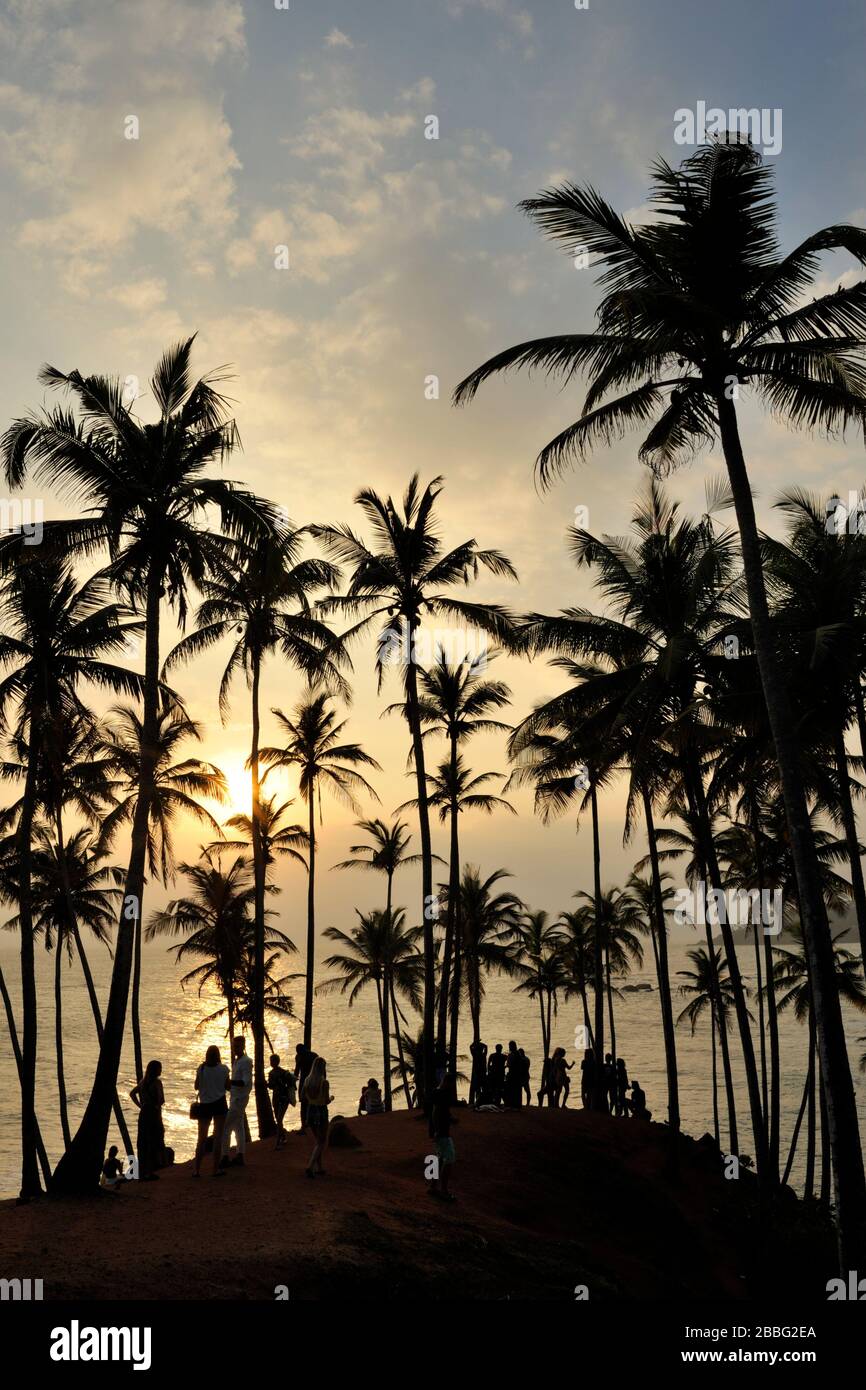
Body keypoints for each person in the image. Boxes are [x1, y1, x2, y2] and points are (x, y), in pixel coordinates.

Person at [193, 1044, 230, 1177]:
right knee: (218, 1137)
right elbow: (227, 1087)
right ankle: (215, 1170)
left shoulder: (201, 1068)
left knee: (201, 1138)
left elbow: (196, 1086)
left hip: (204, 1105)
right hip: (220, 1104)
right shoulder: (224, 1069)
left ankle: (197, 1170)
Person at [220, 1035, 253, 1170]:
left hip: (239, 1099)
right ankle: (240, 1154)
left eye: (238, 1046)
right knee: (238, 1127)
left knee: (226, 1128)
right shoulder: (237, 1061)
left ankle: (225, 1156)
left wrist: (229, 1083)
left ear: (244, 1046)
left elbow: (244, 1081)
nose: (235, 1048)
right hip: (236, 1097)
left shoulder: (245, 1061)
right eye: (234, 1046)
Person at [130, 1059, 165, 1180]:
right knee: (153, 1141)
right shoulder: (157, 1083)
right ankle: (150, 1172)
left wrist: (140, 1105)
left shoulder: (143, 1082)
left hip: (143, 1113)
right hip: (153, 1114)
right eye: (160, 1068)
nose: (161, 1070)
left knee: (142, 1142)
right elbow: (161, 1100)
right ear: (156, 1070)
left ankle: (141, 1172)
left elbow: (132, 1093)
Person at [303, 1056, 333, 1177]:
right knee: (322, 1141)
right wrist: (331, 1098)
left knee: (318, 1140)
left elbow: (303, 1097)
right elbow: (326, 1100)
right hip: (321, 1111)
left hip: (310, 1110)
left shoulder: (307, 1081)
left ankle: (319, 1167)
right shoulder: (324, 1082)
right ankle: (310, 1166)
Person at [429, 1075, 456, 1201]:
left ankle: (433, 1186)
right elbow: (437, 1112)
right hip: (442, 1132)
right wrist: (438, 1131)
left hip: (439, 1130)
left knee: (438, 1158)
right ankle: (443, 1190)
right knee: (449, 1159)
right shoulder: (443, 1094)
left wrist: (450, 1118)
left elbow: (441, 1111)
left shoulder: (437, 1093)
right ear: (446, 1082)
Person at [267, 1053, 295, 1149]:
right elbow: (271, 1086)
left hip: (282, 1098)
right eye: (271, 1061)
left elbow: (289, 1084)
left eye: (272, 1061)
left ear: (276, 1062)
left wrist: (274, 1084)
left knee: (279, 1119)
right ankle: (282, 1136)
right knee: (278, 1119)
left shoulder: (283, 1073)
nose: (271, 1063)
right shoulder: (276, 1073)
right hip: (277, 1098)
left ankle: (278, 1142)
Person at [295, 1042, 316, 1132]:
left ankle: (305, 1125)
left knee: (304, 1104)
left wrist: (292, 1082)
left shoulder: (300, 1057)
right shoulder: (314, 1055)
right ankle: (309, 1124)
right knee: (311, 1103)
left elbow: (296, 1071)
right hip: (312, 1082)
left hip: (305, 1082)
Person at [503, 1040, 522, 1108]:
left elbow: (509, 1064)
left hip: (512, 1074)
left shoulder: (511, 1054)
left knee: (510, 1089)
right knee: (517, 1090)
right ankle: (517, 1105)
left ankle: (511, 1104)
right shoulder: (518, 1054)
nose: (509, 1047)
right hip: (518, 1074)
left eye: (510, 1046)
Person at [469, 1040, 488, 1106]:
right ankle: (481, 1101)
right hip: (482, 1074)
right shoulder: (483, 1055)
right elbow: (486, 1046)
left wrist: (476, 1043)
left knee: (477, 1089)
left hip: (477, 1074)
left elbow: (470, 1047)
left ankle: (477, 1102)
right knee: (483, 1089)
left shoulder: (475, 1055)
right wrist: (480, 1043)